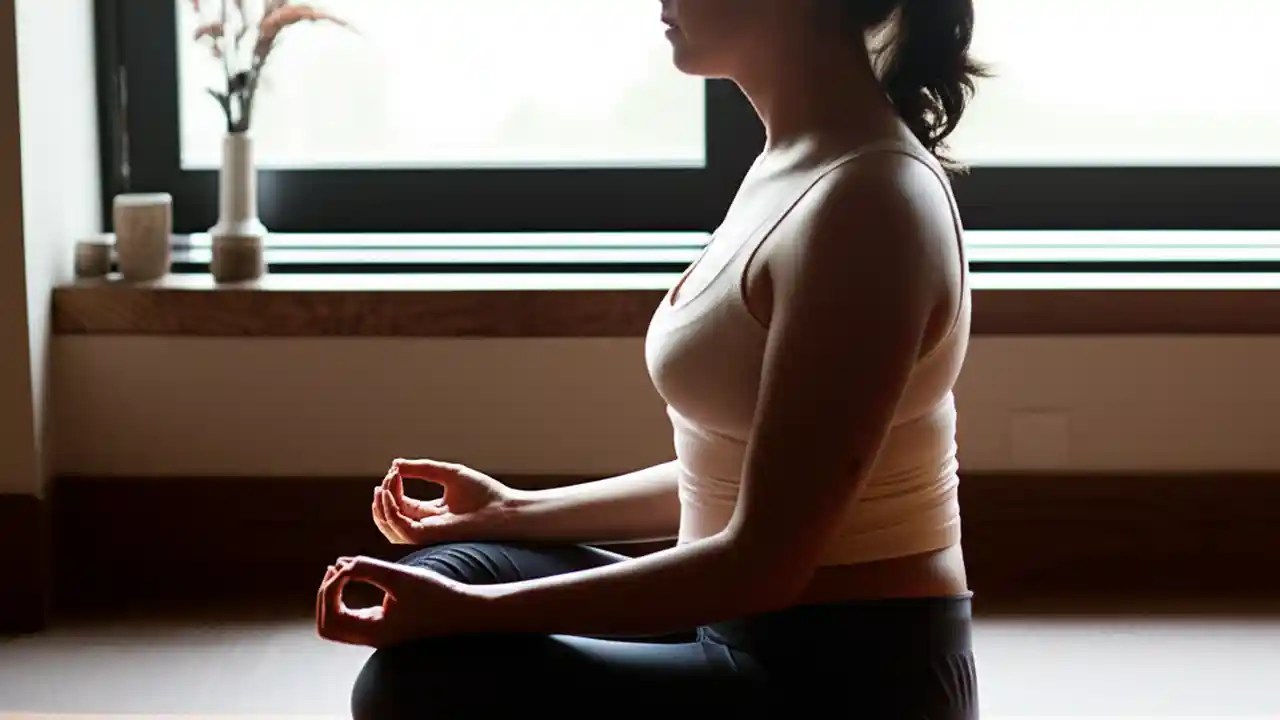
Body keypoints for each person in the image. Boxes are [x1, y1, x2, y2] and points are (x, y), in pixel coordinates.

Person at [318, 0, 985, 716]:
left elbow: (763, 563)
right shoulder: (796, 158)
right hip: (737, 620)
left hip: (840, 677)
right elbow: (752, 480)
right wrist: (512, 511)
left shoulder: (868, 202)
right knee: (455, 567)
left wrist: (473, 613)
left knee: (416, 684)